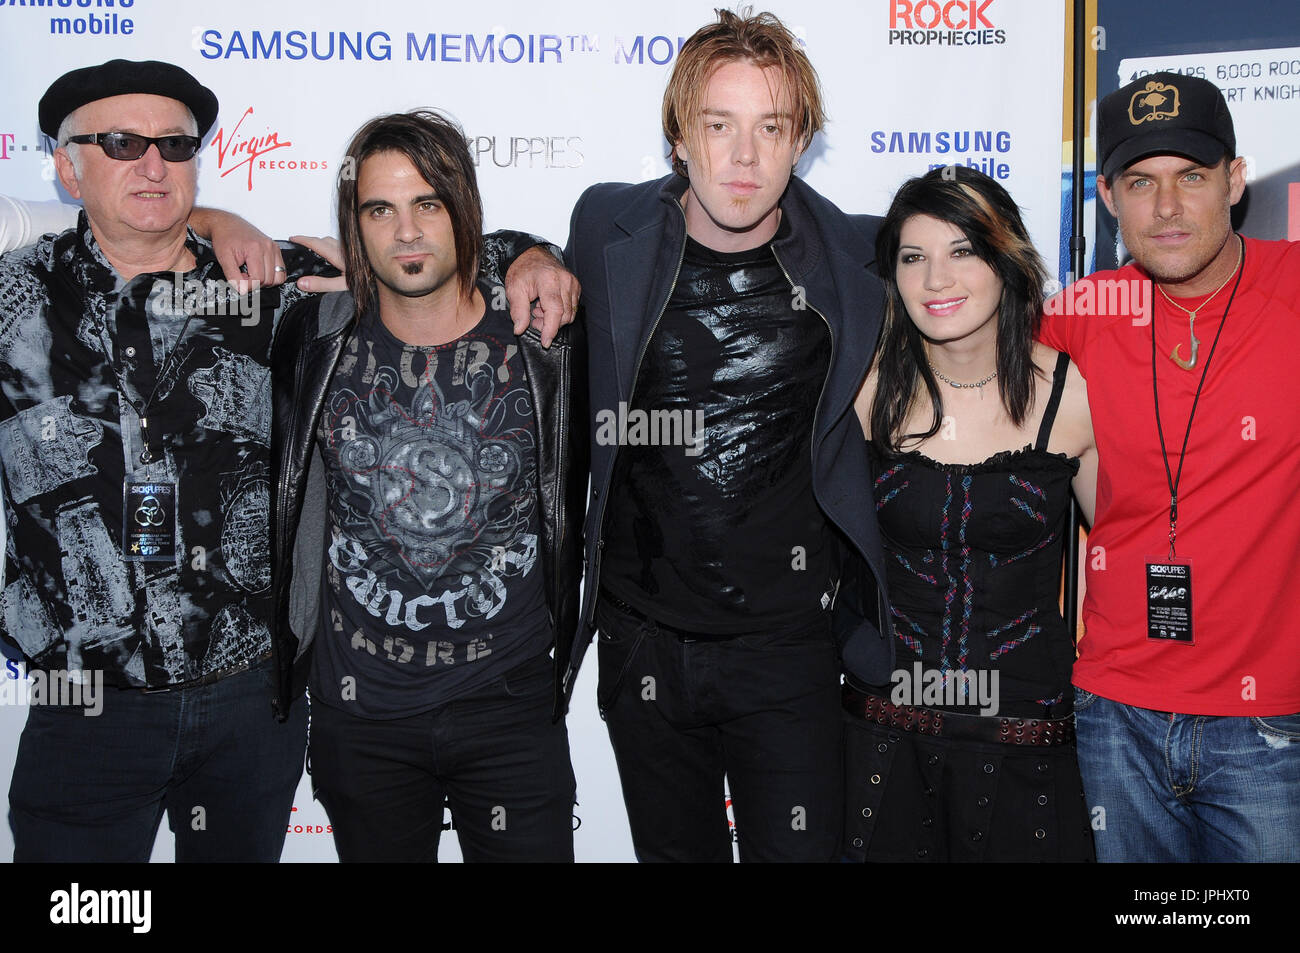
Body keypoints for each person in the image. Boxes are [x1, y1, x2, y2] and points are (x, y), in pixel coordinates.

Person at [561, 9, 889, 862]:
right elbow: (493, 269)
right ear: (678, 137)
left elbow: (981, 269)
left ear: (801, 140)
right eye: (719, 125)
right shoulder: (605, 227)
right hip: (642, 641)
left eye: (770, 127)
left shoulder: (856, 256)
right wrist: (514, 256)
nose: (744, 157)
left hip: (789, 651)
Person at [0, 59, 330, 862]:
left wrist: (531, 260)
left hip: (252, 690)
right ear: (67, 169)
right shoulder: (14, 296)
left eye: (175, 146)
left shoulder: (272, 286)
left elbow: (434, 264)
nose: (153, 163)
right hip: (83, 693)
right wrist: (214, 215)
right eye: (121, 143)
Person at [270, 110, 586, 862]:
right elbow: (158, 238)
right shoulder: (312, 334)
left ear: (463, 209)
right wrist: (215, 217)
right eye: (379, 210)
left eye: (428, 204)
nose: (406, 232)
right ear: (355, 225)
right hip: (361, 714)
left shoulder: (544, 337)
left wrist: (534, 249)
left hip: (509, 704)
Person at [1039, 71, 1300, 861]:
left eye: (1191, 176)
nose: (1167, 208)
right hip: (1115, 711)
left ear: (1235, 180)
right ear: (1108, 198)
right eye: (1140, 182)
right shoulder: (1077, 316)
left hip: (1270, 723)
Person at [839, 166, 1098, 861]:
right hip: (884, 734)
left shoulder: (1072, 396)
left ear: (1005, 258)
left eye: (963, 250)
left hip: (1028, 741)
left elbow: (1125, 555)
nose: (936, 279)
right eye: (912, 257)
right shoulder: (864, 390)